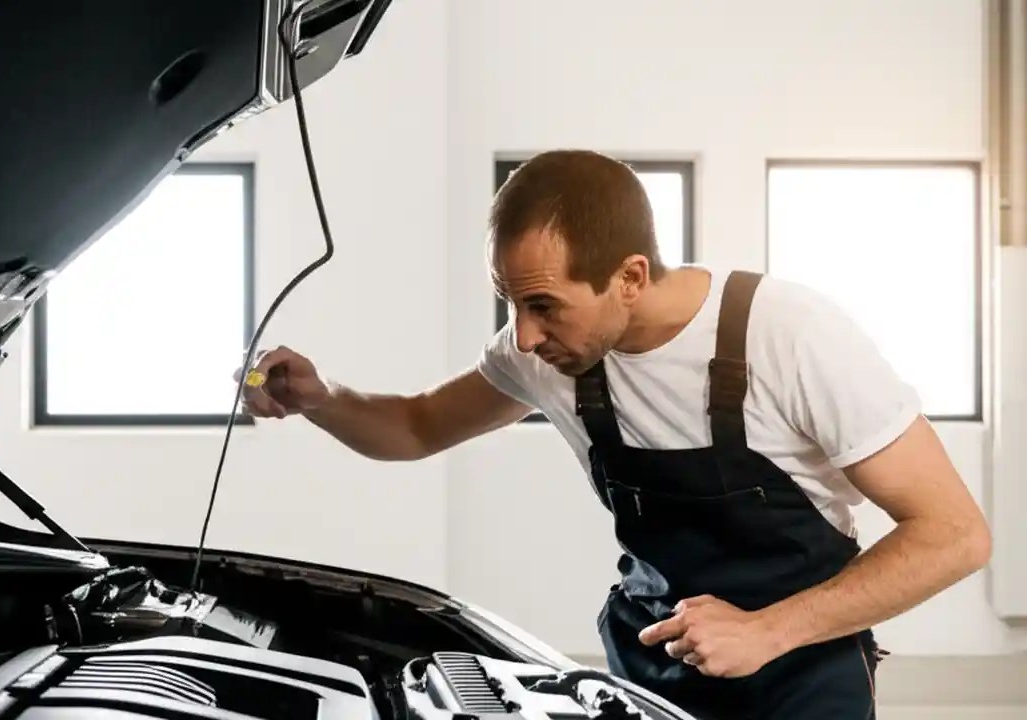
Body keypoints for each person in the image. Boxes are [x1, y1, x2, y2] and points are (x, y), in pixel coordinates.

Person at [237, 150, 991, 719]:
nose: (523, 338)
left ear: (629, 276)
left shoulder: (787, 336)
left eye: (543, 306)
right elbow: (414, 426)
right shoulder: (547, 356)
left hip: (800, 668)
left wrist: (769, 631)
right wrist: (321, 397)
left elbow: (955, 534)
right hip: (647, 657)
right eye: (508, 304)